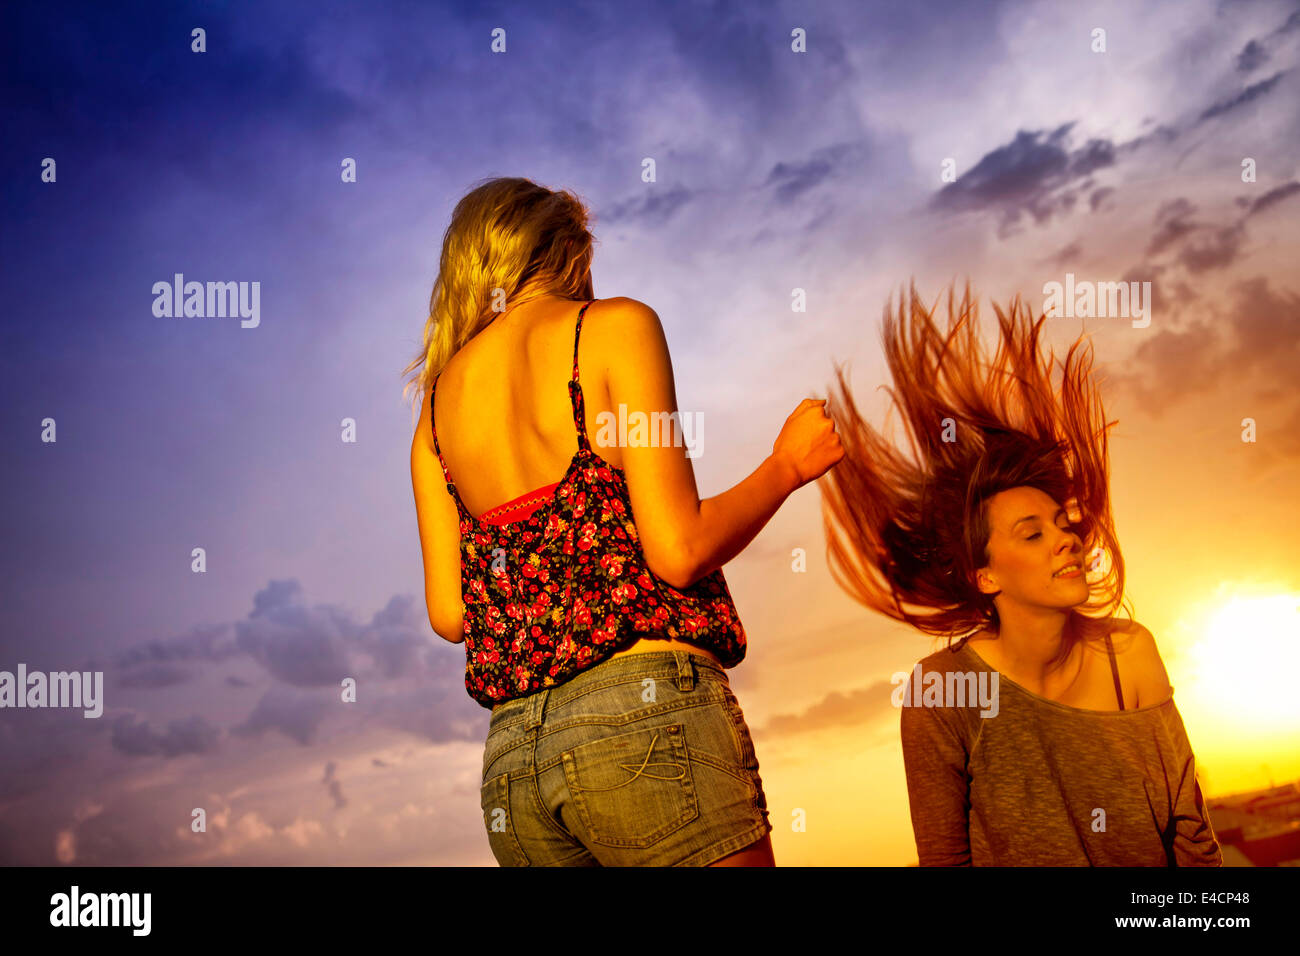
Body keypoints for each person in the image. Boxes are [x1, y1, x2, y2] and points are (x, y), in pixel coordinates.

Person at [406, 177, 843, 865]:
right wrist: (786, 467)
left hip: (516, 763)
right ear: (564, 252)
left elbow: (452, 615)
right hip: (641, 723)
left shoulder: (434, 413)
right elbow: (678, 549)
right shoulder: (611, 329)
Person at [818, 281, 1222, 866]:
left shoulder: (1130, 657)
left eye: (1062, 524)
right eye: (1032, 533)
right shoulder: (942, 694)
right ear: (985, 576)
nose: (1065, 539)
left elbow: (1193, 841)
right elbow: (945, 861)